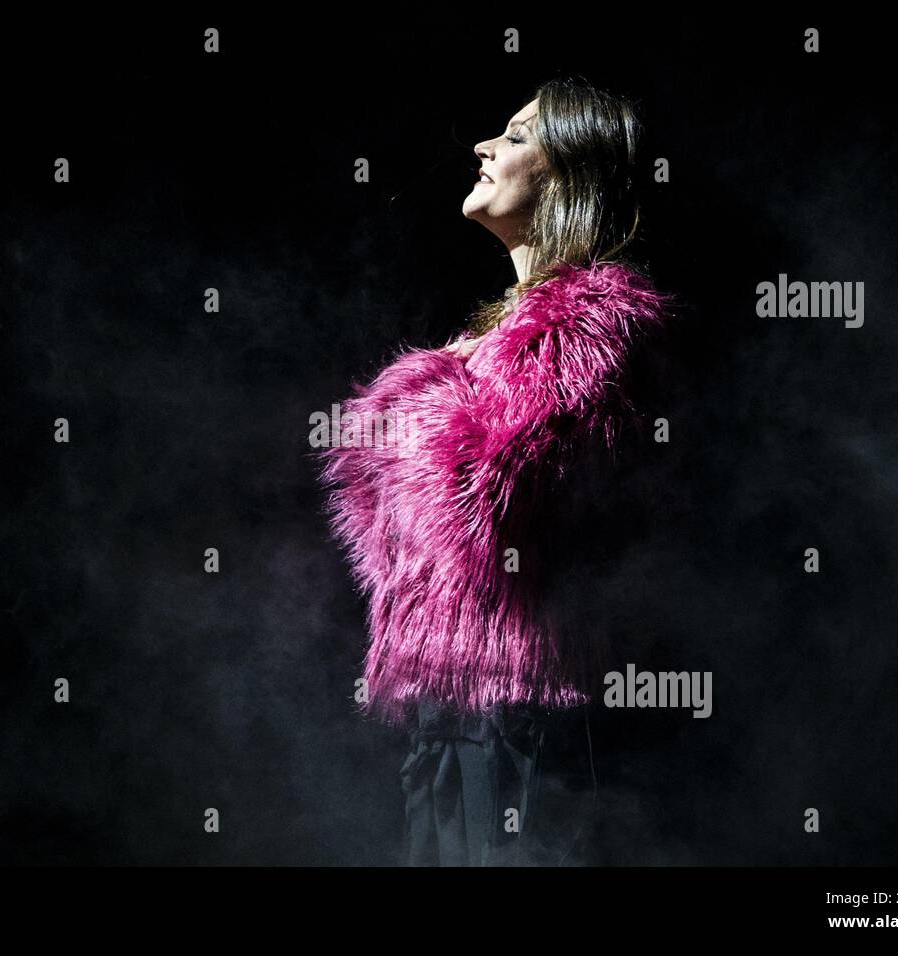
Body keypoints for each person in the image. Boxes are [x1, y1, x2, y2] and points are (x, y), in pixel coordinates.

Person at [318, 75, 677, 865]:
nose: (482, 146)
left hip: (525, 709)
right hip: (445, 709)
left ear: (566, 182)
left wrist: (428, 392)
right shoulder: (489, 345)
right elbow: (396, 542)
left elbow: (488, 506)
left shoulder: (586, 331)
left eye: (516, 137)